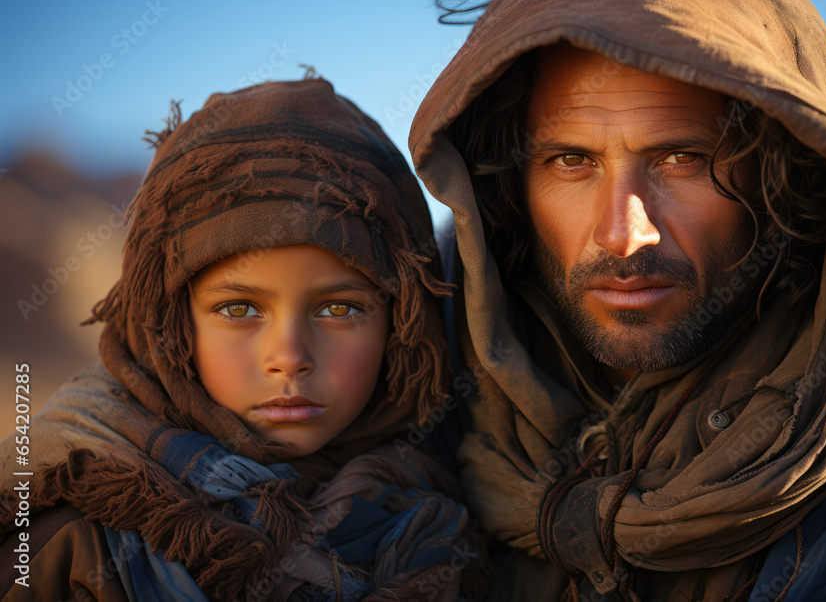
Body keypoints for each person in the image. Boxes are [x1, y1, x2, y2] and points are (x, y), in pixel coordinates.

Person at [408, 0, 826, 600]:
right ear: (509, 190)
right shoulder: (416, 391)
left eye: (681, 159)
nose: (624, 233)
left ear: (785, 175)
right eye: (571, 161)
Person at [0, 77, 483, 601]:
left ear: (405, 322)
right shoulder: (73, 531)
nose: (289, 358)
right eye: (239, 309)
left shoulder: (453, 499)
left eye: (339, 309)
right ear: (172, 324)